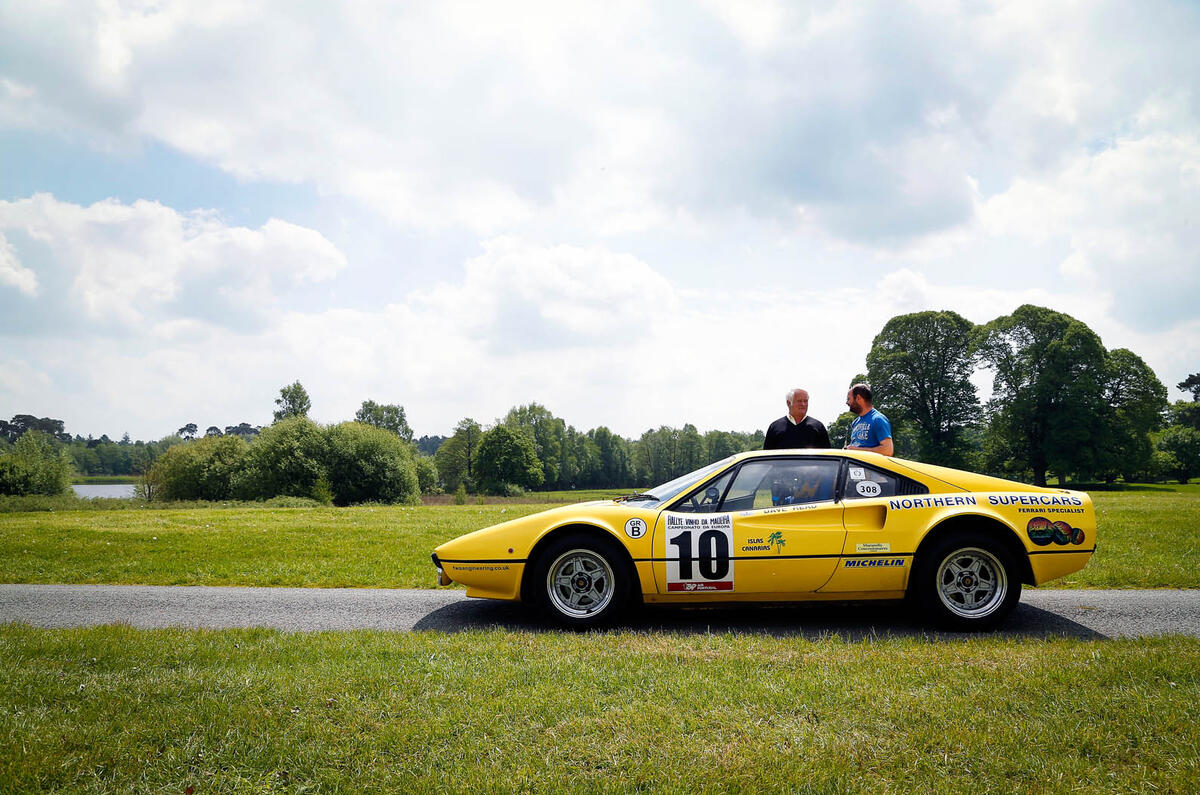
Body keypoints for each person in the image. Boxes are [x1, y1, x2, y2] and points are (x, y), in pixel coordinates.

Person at [763, 388, 831, 450]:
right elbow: (766, 458)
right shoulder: (775, 427)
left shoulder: (818, 427)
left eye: (805, 401)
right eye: (799, 401)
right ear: (788, 403)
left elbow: (828, 458)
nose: (803, 404)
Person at [844, 383, 893, 456]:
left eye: (849, 399)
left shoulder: (878, 419)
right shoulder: (855, 422)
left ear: (858, 398)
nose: (847, 402)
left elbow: (888, 451)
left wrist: (856, 450)